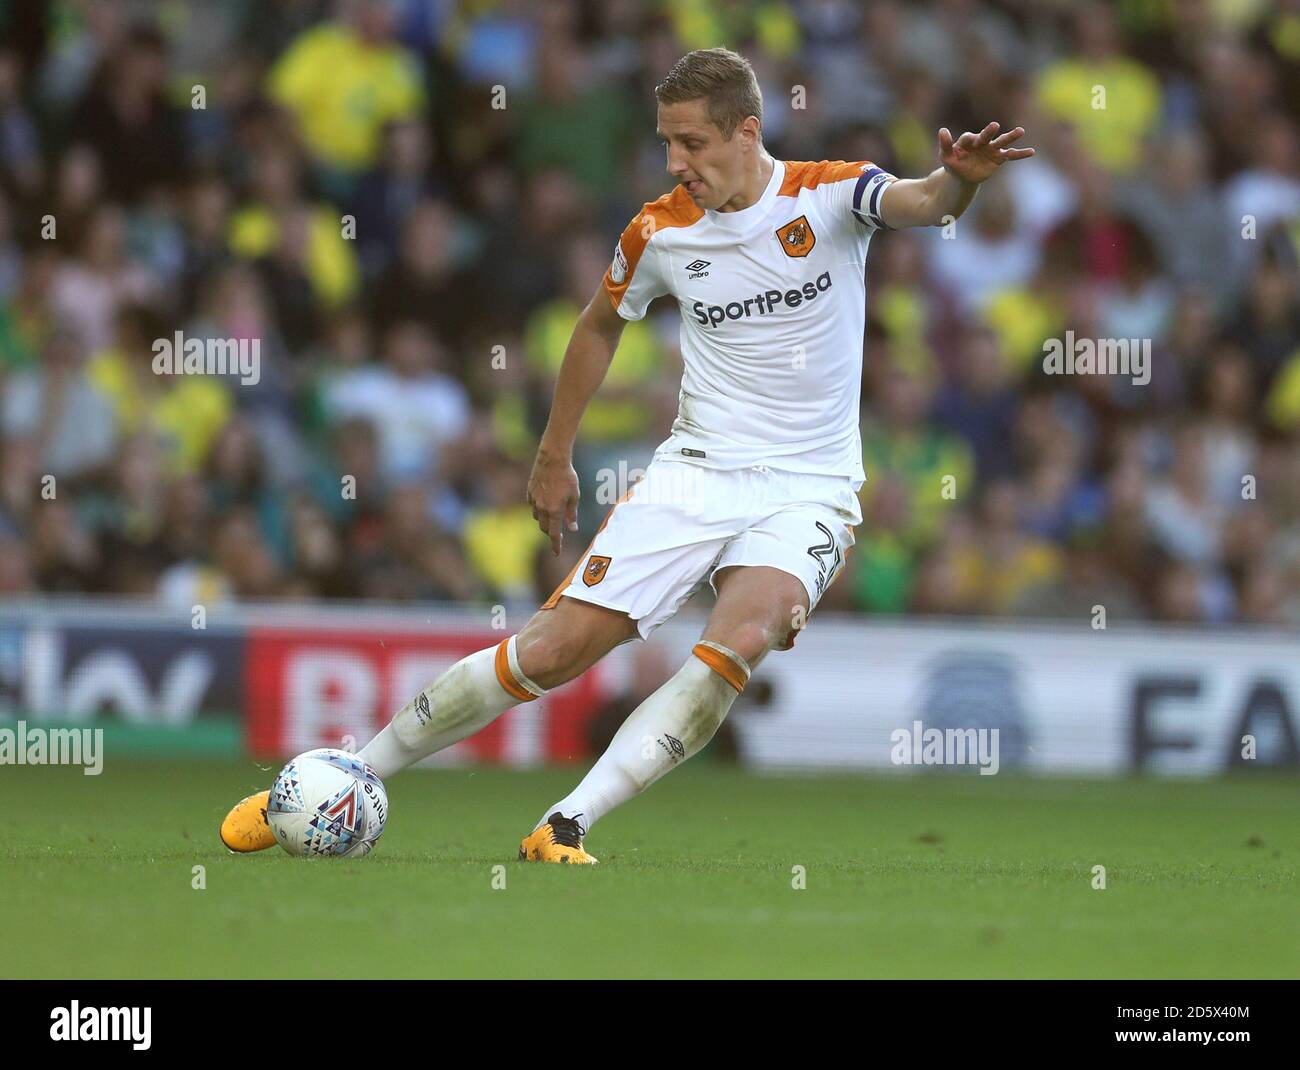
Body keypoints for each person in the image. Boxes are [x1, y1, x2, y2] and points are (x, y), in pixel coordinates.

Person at [220, 47, 1033, 862]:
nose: (675, 163)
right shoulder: (659, 231)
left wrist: (958, 179)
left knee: (735, 645)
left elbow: (922, 200)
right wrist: (553, 453)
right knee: (551, 650)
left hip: (810, 488)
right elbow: (598, 324)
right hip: (697, 473)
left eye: (691, 143)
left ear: (746, 132)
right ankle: (349, 774)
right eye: (665, 143)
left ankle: (564, 823)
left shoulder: (830, 192)